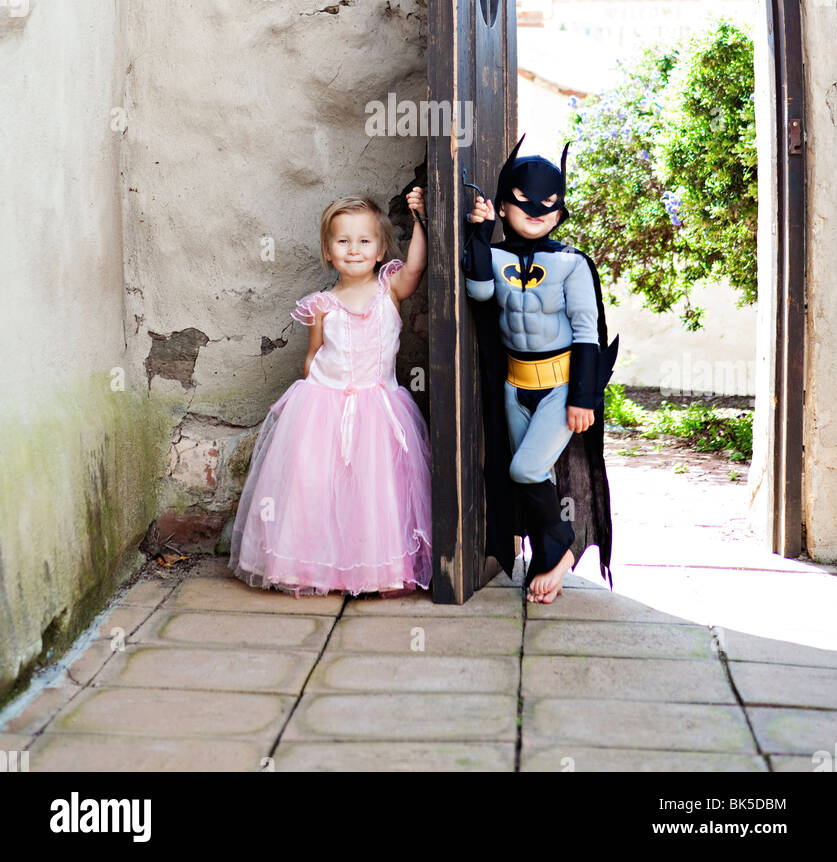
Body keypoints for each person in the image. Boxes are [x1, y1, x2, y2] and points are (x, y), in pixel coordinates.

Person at [228, 188, 432, 597]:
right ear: (327, 251)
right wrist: (316, 398)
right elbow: (313, 357)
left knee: (373, 491)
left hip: (377, 406)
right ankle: (310, 567)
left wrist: (420, 219)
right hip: (322, 406)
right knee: (316, 486)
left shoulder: (389, 288)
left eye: (364, 241)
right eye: (342, 241)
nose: (353, 250)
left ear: (379, 250)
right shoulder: (321, 304)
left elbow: (415, 267)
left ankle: (377, 570)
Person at [463, 136, 618, 604]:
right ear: (504, 205)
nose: (537, 210)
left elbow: (588, 331)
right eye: (524, 201)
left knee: (525, 468)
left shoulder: (572, 263)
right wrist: (477, 233)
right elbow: (480, 295)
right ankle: (548, 560)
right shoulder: (494, 255)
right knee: (534, 477)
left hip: (560, 384)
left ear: (561, 207)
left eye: (549, 203)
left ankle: (560, 549)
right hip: (514, 384)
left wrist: (583, 397)